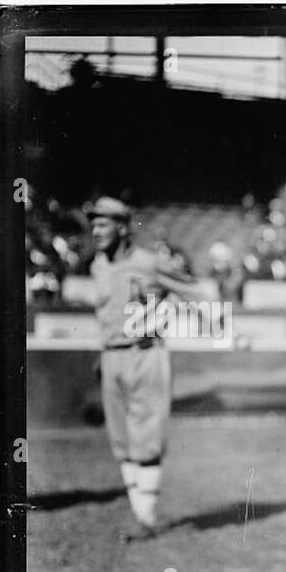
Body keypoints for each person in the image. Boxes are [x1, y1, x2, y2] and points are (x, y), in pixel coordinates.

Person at [87, 196, 202, 542]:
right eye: (93, 224)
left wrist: (222, 329)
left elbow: (193, 292)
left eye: (103, 224)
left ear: (123, 228)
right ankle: (141, 512)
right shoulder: (98, 265)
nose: (95, 231)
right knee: (120, 439)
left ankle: (145, 518)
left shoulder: (150, 263)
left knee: (147, 438)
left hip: (146, 353)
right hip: (111, 357)